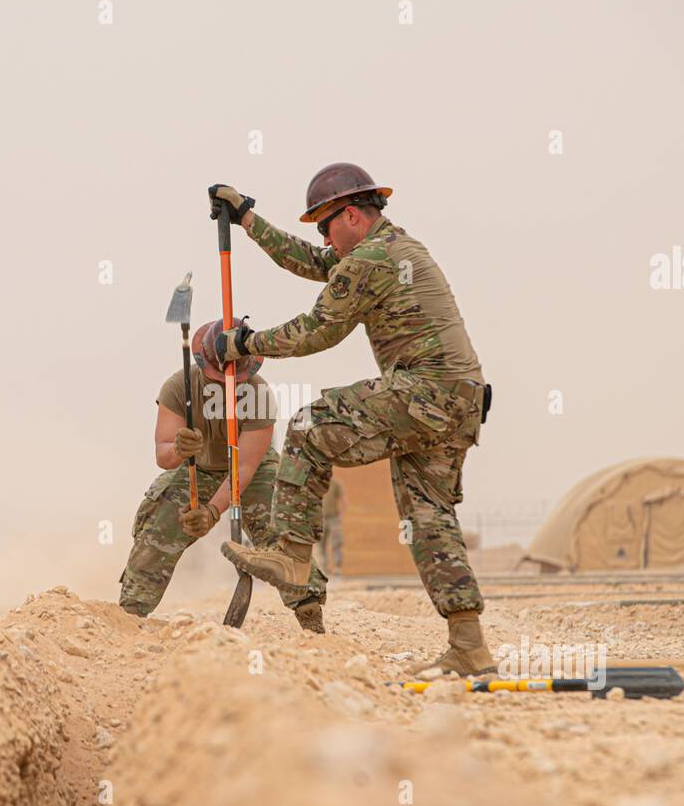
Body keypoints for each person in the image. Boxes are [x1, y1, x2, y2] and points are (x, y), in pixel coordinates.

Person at [206, 166, 494, 675]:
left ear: (353, 216)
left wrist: (243, 343)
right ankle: (469, 646)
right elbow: (314, 262)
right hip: (457, 400)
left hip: (425, 392)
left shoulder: (371, 258)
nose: (322, 237)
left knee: (309, 427)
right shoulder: (386, 251)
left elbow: (316, 332)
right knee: (428, 521)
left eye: (325, 225)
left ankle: (293, 554)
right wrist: (248, 218)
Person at [117, 319, 328, 632]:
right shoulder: (178, 388)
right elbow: (163, 456)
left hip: (253, 471)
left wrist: (212, 511)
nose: (225, 384)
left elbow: (243, 468)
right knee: (158, 523)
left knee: (280, 523)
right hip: (199, 467)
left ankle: (308, 609)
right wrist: (179, 448)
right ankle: (130, 615)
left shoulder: (259, 395)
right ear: (202, 363)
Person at [316, 477, 346, 576]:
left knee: (336, 542)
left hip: (334, 518)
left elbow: (342, 499)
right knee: (320, 543)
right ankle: (324, 567)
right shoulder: (318, 482)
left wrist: (341, 514)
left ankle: (337, 567)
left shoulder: (335, 484)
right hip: (320, 518)